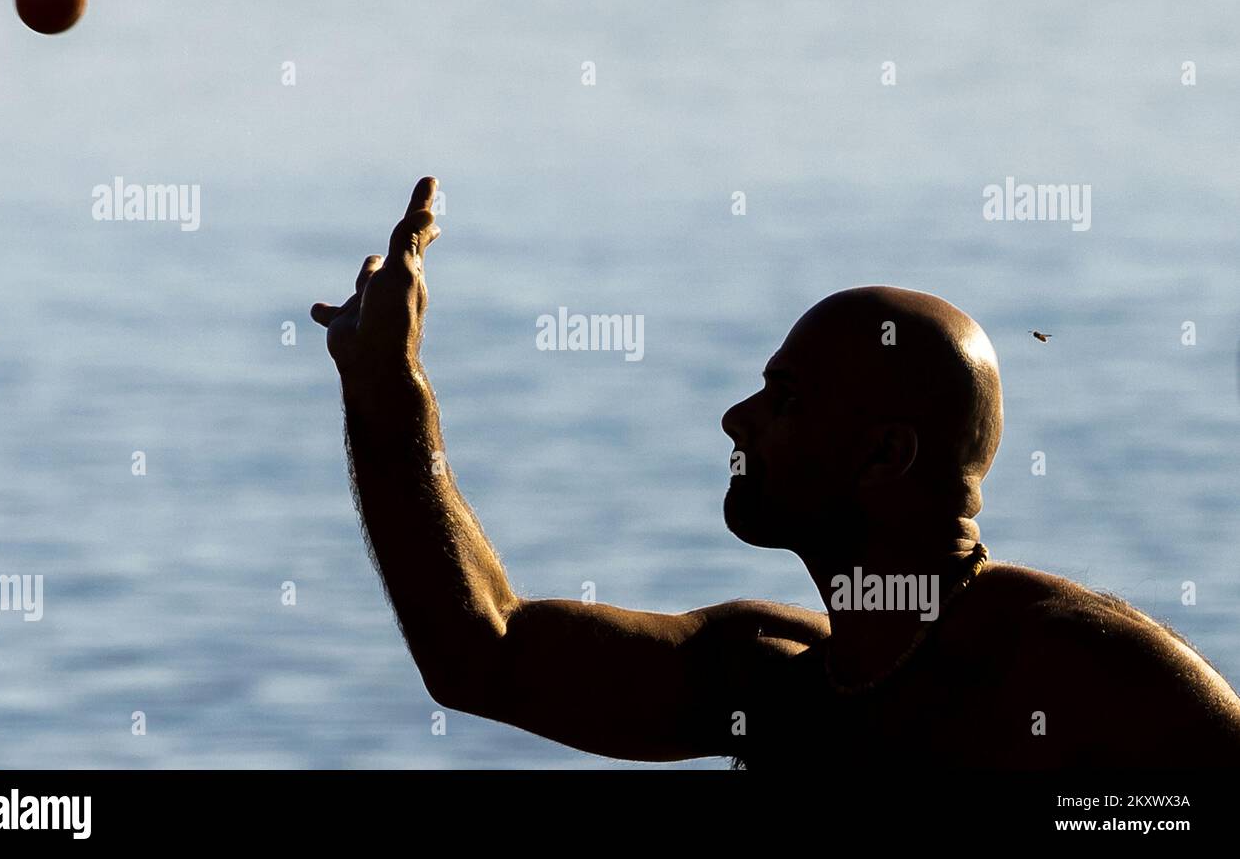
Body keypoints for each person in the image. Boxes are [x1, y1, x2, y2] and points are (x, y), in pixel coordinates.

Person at [310, 177, 1240, 767]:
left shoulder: (1080, 671)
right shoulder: (773, 679)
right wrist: (387, 388)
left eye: (784, 397)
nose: (736, 419)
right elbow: (487, 656)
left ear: (886, 455)